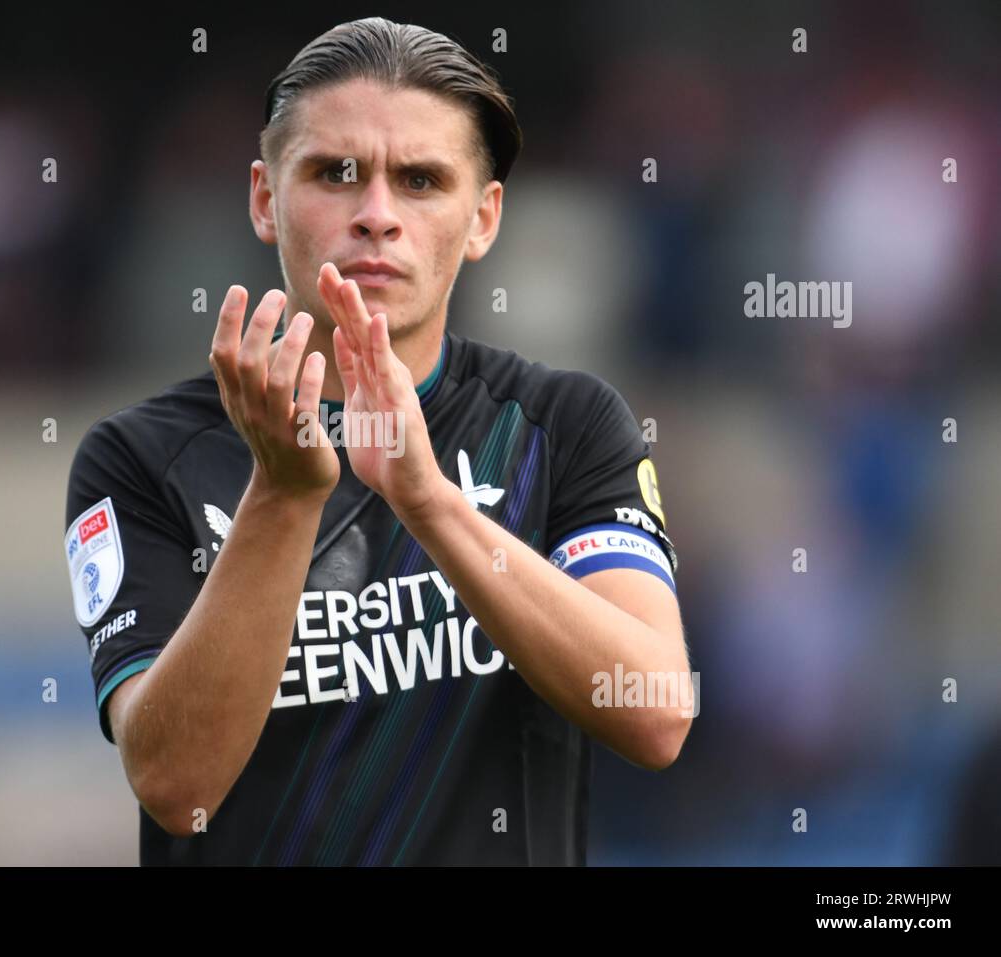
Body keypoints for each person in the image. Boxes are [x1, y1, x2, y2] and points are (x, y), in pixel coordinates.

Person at [64, 17, 690, 865]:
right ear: (263, 197)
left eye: (423, 180)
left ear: (482, 218)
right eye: (334, 173)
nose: (377, 216)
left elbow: (655, 712)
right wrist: (283, 495)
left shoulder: (563, 426)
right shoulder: (140, 458)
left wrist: (429, 500)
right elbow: (177, 784)